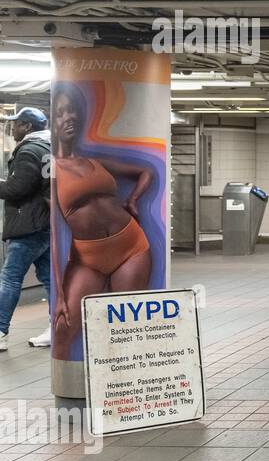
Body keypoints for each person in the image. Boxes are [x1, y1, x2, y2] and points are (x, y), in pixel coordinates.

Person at [49, 85, 155, 358]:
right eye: (60, 113)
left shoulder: (95, 162)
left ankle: (124, 390)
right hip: (88, 258)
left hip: (131, 247)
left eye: (72, 109)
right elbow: (52, 235)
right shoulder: (50, 170)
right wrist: (59, 295)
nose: (68, 117)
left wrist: (132, 200)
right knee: (64, 328)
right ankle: (69, 386)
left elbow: (146, 171)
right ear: (53, 121)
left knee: (124, 328)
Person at [0, 107, 52, 351]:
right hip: (47, 223)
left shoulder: (29, 150)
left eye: (17, 123)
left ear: (28, 127)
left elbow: (16, 190)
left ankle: (0, 331)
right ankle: (57, 328)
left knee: (10, 278)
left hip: (27, 225)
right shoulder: (50, 147)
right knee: (50, 279)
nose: (13, 127)